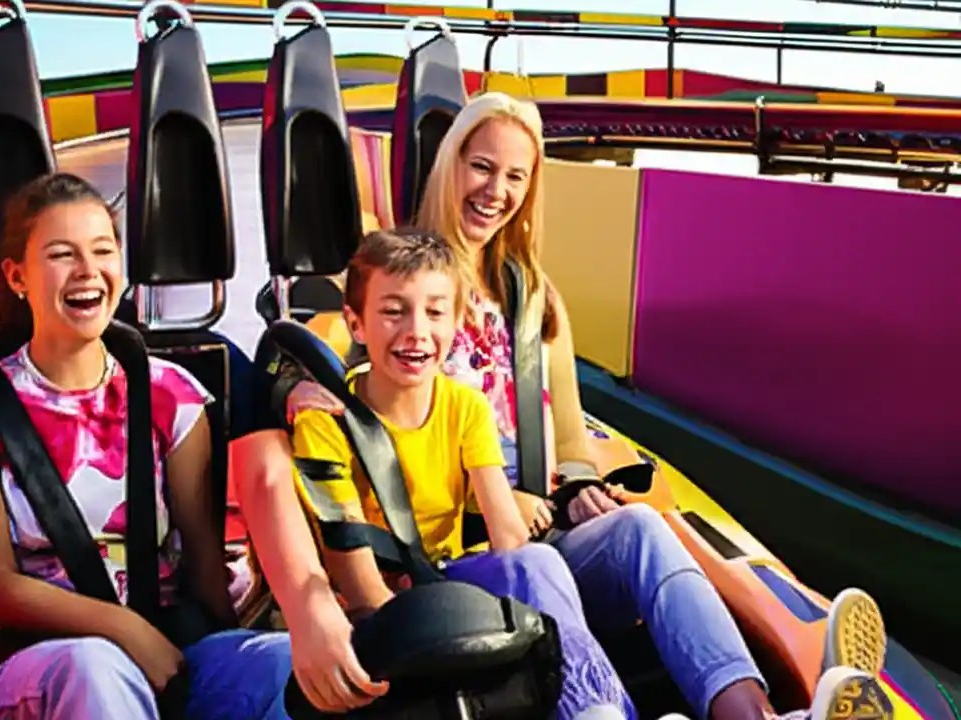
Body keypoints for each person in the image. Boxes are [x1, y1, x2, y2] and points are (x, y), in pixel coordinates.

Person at [270, 92, 894, 720]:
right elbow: (329, 359)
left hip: (534, 524)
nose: (495, 190)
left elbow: (569, 440)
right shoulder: (406, 277)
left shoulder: (532, 297)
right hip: (454, 537)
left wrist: (576, 486)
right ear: (450, 164)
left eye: (516, 176)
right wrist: (289, 384)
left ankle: (747, 711)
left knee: (645, 530)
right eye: (481, 167)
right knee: (538, 561)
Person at [0, 172, 292, 720]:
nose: (87, 270)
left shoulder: (171, 395)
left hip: (166, 642)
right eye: (61, 254)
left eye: (103, 250)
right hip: (48, 656)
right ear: (18, 276)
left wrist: (243, 632)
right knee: (98, 671)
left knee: (285, 665)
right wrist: (124, 629)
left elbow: (200, 561)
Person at [289, 227, 637, 720]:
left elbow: (508, 538)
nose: (416, 331)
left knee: (535, 564)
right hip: (380, 610)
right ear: (356, 323)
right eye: (393, 311)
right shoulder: (324, 424)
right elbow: (356, 578)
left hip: (447, 576)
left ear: (455, 324)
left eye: (434, 313)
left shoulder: (465, 407)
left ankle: (594, 711)